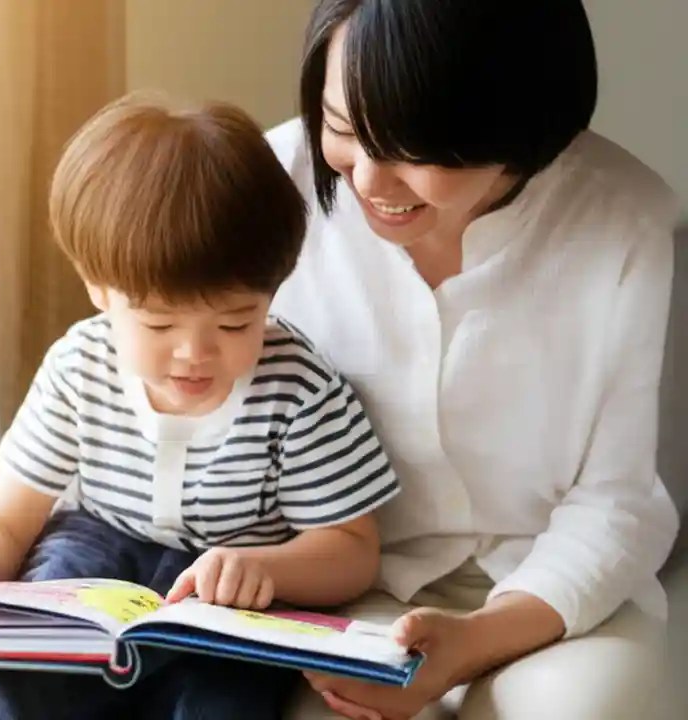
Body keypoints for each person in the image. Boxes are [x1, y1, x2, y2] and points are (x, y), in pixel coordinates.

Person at [0, 92, 402, 720]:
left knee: (225, 700)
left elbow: (352, 549)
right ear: (99, 289)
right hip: (97, 558)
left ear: (273, 289)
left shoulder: (300, 391)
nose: (194, 355)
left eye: (235, 324)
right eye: (156, 326)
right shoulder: (79, 365)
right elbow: (8, 515)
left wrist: (266, 569)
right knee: (14, 672)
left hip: (226, 604)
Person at [265, 1, 681, 718]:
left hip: (548, 588)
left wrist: (477, 639)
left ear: (519, 128)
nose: (367, 178)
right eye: (340, 127)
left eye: (413, 149)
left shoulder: (623, 218)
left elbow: (620, 500)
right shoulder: (271, 184)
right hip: (336, 581)